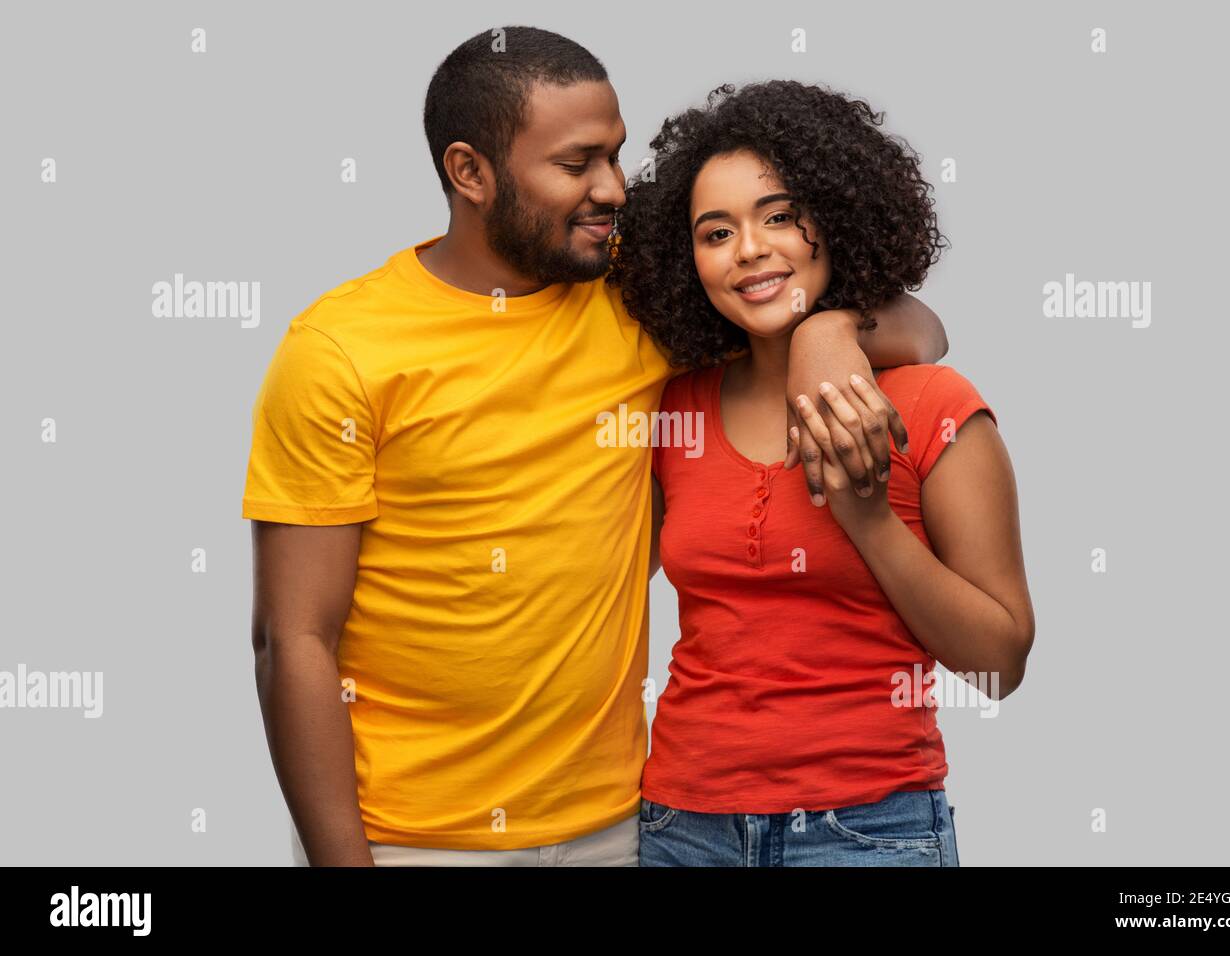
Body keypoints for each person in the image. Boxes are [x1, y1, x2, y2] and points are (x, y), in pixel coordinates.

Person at [242, 28, 948, 867]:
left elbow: (918, 328)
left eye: (614, 154)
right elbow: (293, 639)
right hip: (407, 839)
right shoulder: (339, 350)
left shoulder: (638, 296)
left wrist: (826, 334)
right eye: (577, 164)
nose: (614, 188)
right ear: (470, 173)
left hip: (622, 827)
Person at [609, 80, 1035, 866]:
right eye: (716, 232)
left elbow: (999, 664)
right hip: (681, 828)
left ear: (836, 220)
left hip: (868, 831)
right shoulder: (676, 409)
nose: (749, 249)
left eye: (779, 216)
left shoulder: (934, 406)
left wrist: (869, 520)